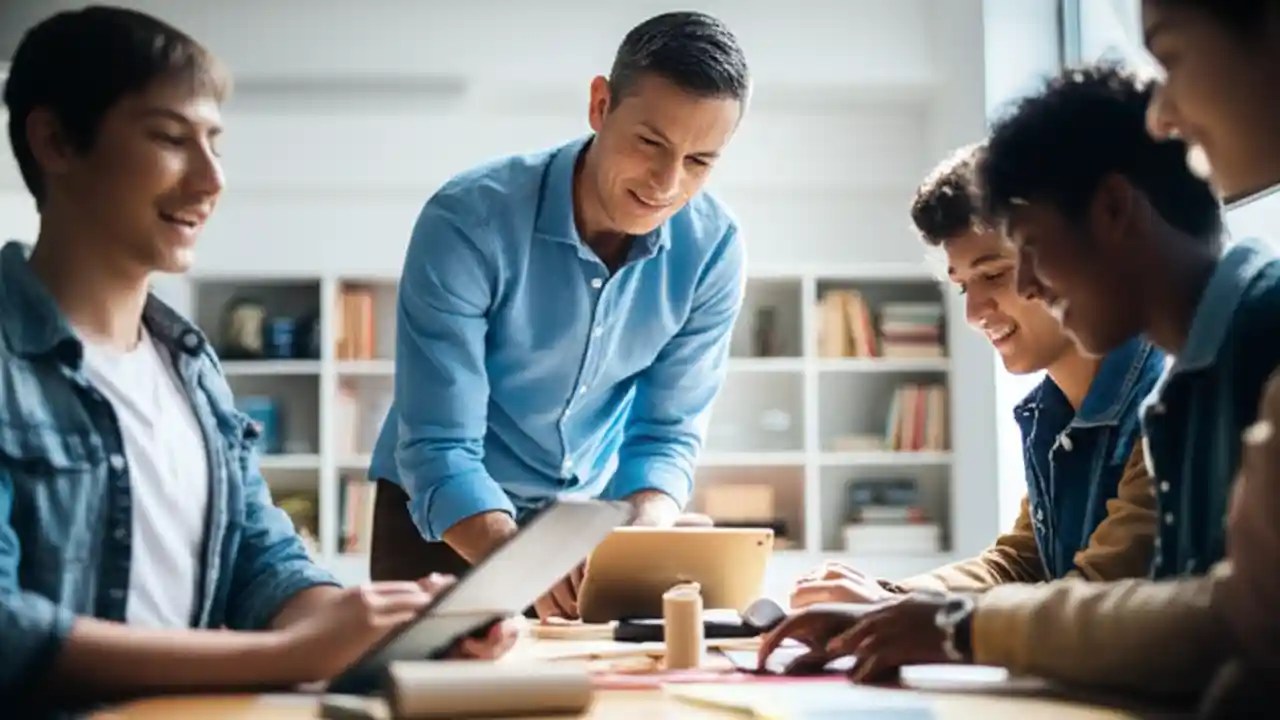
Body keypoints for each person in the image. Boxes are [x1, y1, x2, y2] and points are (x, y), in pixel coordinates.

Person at [0, 6, 515, 711]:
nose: (212, 181)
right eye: (171, 139)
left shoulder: (190, 367)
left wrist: (386, 634)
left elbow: (261, 562)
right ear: (55, 140)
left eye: (215, 143)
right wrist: (283, 656)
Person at [761, 64, 1269, 698]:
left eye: (1022, 254)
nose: (1024, 287)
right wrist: (903, 608)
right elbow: (1054, 570)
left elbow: (1210, 621)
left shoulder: (1238, 354)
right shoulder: (1179, 380)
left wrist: (952, 625)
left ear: (1114, 210)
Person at [367, 11, 749, 621]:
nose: (666, 184)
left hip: (584, 523)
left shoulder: (713, 250)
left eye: (699, 161)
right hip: (440, 519)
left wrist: (639, 537)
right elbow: (440, 443)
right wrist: (520, 563)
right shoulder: (468, 221)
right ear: (600, 104)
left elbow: (666, 435)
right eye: (650, 143)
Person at [790, 143, 1160, 619]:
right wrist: (891, 599)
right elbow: (1022, 561)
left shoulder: (1163, 396)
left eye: (995, 274)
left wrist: (935, 624)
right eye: (963, 285)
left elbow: (1102, 591)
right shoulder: (1051, 413)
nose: (972, 313)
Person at [1142, 0, 1280, 709]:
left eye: (1170, 56)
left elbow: (1241, 625)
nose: (1161, 118)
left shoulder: (1258, 322)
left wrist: (962, 626)